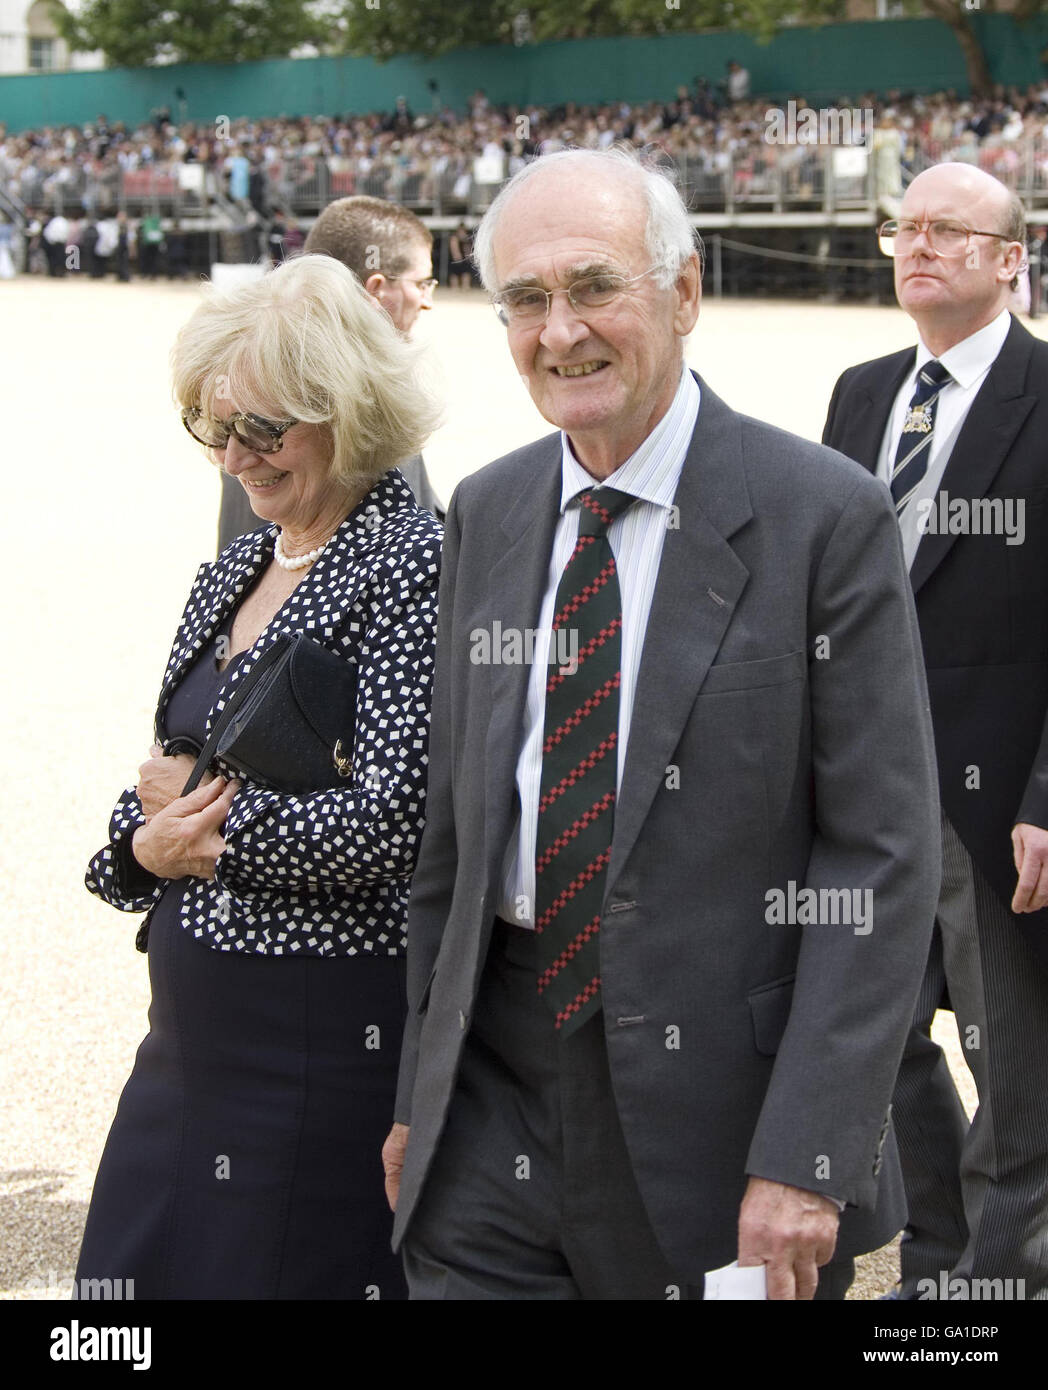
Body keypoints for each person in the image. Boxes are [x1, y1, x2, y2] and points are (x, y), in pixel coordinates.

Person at [382, 146, 942, 1300]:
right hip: (492, 1095)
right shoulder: (486, 511)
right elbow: (456, 831)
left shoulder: (820, 517)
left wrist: (808, 1156)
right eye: (526, 301)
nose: (559, 331)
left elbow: (881, 861)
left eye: (593, 287)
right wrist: (419, 1096)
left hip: (719, 1128)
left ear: (683, 293)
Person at [76, 254, 443, 1300]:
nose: (233, 455)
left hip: (318, 1047)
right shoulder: (234, 566)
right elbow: (163, 781)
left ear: (349, 407)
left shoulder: (414, 561)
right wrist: (142, 848)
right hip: (187, 1040)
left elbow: (394, 823)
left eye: (263, 428)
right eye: (212, 424)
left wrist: (214, 836)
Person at [823, 162, 1048, 1300]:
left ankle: (1001, 1278)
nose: (917, 246)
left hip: (993, 789)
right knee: (878, 1032)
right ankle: (934, 1252)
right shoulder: (861, 393)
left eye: (948, 231)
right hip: (864, 782)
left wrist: (1047, 795)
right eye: (901, 228)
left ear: (1011, 259)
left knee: (1009, 1054)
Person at [218, 194, 444, 551]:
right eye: (421, 283)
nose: (427, 300)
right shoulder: (364, 402)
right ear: (377, 291)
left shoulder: (245, 383)